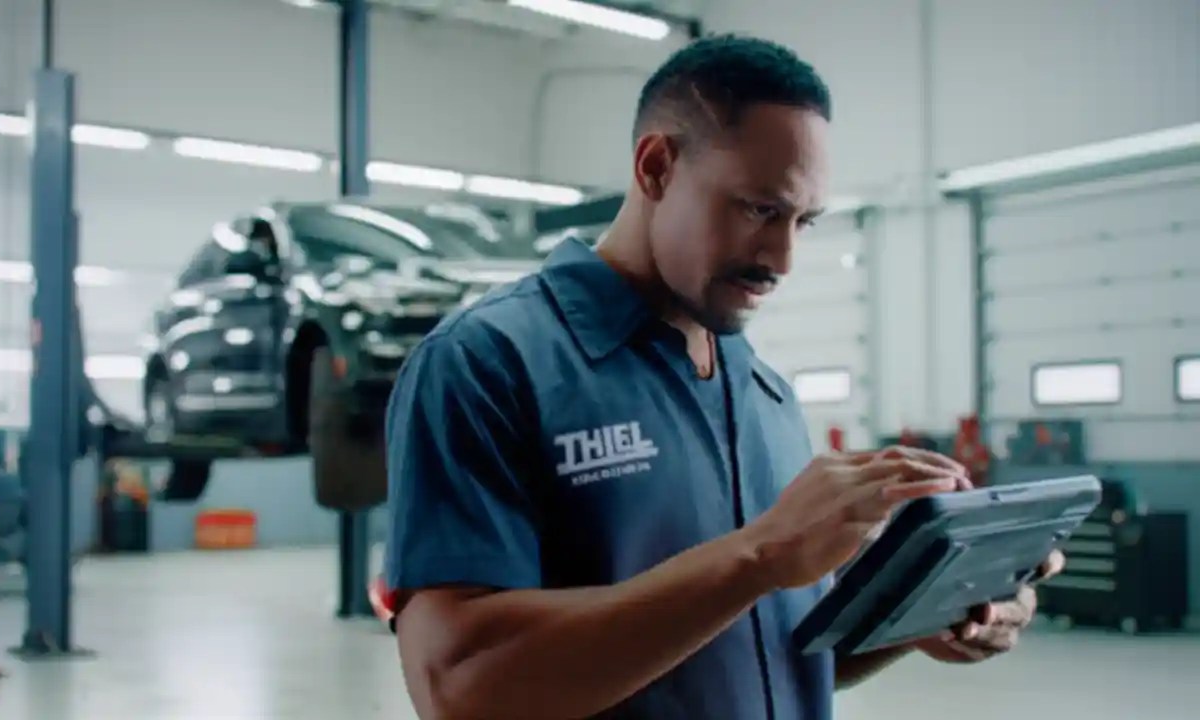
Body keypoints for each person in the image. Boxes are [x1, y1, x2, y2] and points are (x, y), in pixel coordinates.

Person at [383, 35, 1063, 720]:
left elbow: (773, 647)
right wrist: (760, 554)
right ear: (656, 167)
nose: (784, 257)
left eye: (804, 220)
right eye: (759, 209)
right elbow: (461, 685)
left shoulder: (763, 393)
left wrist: (922, 613)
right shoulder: (488, 363)